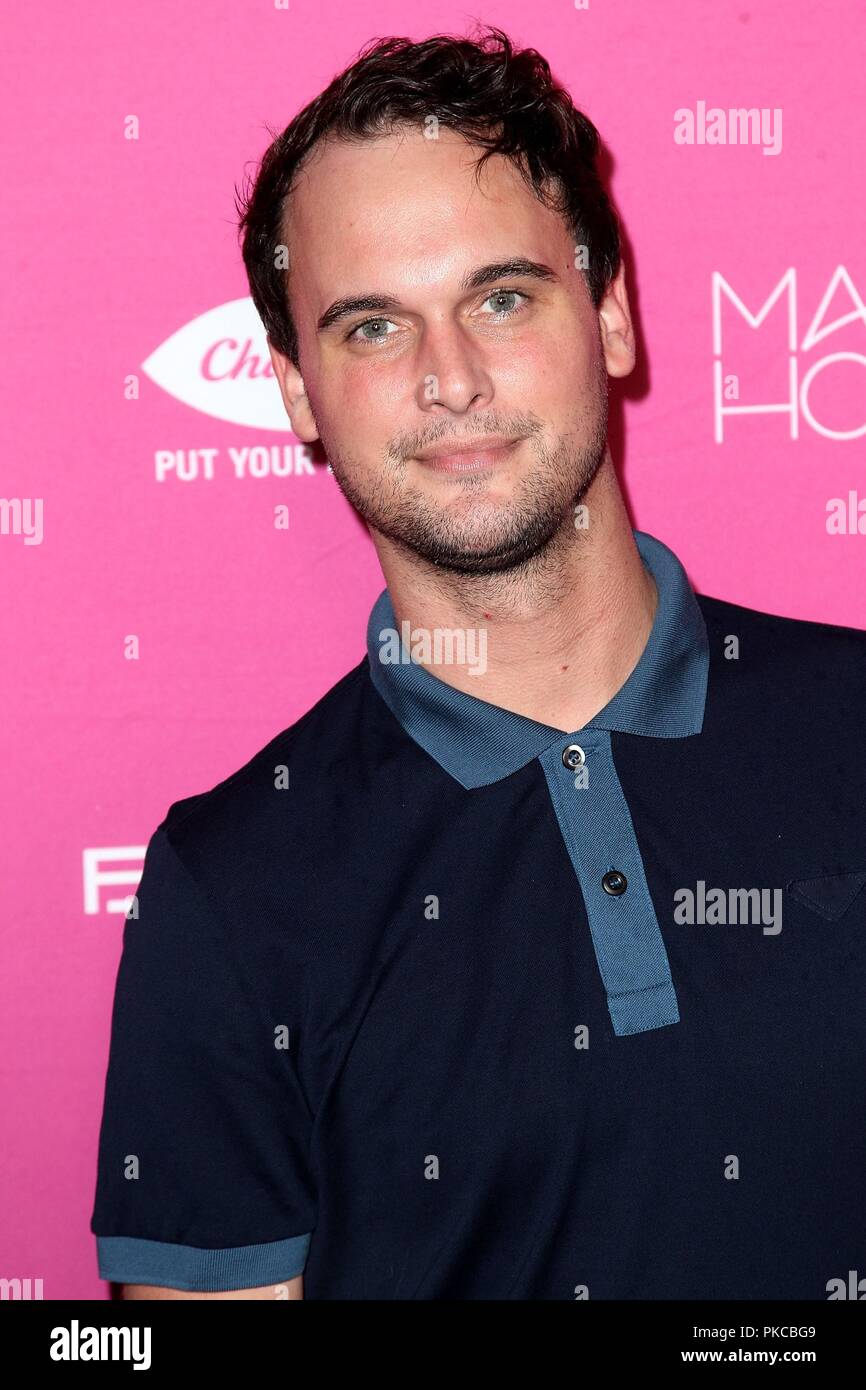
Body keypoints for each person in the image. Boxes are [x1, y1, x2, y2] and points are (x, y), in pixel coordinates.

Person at [91, 26, 866, 1300]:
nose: (449, 380)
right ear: (295, 392)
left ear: (607, 312)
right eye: (372, 328)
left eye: (501, 298)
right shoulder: (226, 892)